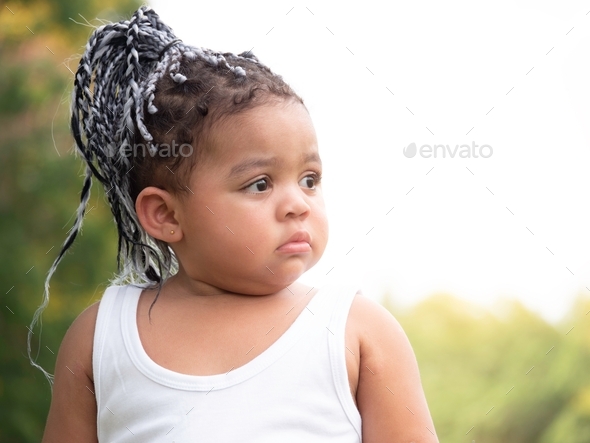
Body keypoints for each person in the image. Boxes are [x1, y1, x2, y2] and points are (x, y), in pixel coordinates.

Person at [36, 5, 438, 442]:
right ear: (166, 215)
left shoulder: (356, 331)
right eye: (260, 184)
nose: (297, 205)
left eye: (310, 179)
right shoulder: (101, 340)